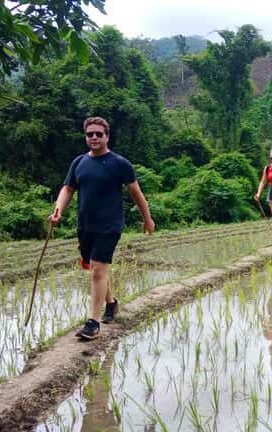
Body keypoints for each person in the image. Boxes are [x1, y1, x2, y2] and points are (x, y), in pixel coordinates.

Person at [48, 117, 155, 341]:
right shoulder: (78, 163)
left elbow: (136, 193)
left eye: (99, 134)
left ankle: (93, 323)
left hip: (110, 224)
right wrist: (58, 210)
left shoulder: (119, 163)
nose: (94, 137)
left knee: (97, 269)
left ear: (107, 136)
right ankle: (111, 303)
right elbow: (67, 189)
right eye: (90, 134)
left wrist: (147, 219)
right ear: (86, 137)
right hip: (85, 226)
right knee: (94, 268)